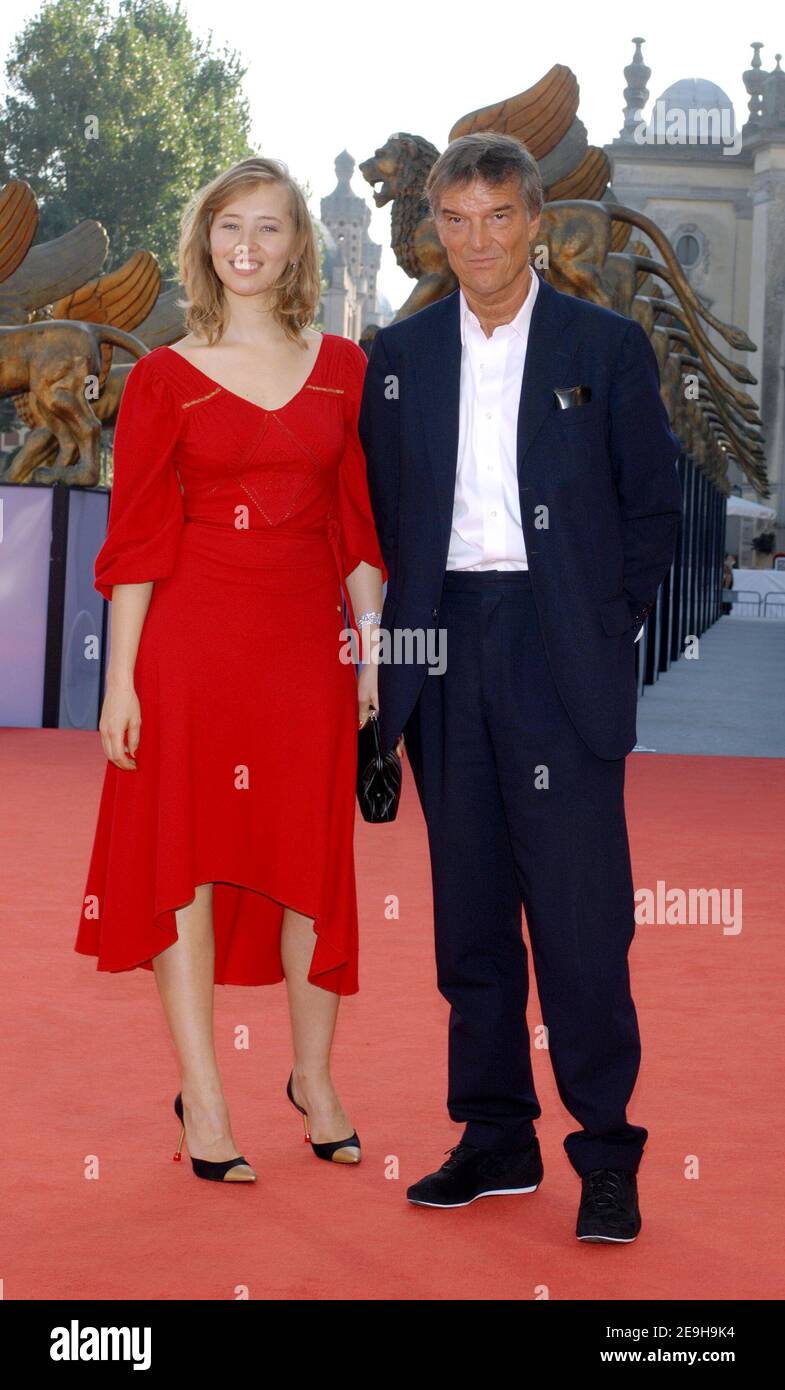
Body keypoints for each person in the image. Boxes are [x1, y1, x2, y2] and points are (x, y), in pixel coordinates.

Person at [359, 133, 683, 1241]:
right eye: (455, 219)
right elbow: (388, 534)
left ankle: (605, 1152)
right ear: (433, 228)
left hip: (557, 653)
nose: (477, 241)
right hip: (440, 647)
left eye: (497, 216)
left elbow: (650, 513)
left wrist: (597, 627)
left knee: (582, 922)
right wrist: (386, 679)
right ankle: (494, 1136)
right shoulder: (395, 355)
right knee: (469, 922)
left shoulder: (606, 344)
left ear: (535, 220)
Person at [76, 157, 387, 1182]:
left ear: (299, 244)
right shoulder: (162, 376)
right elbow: (136, 545)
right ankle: (205, 1100)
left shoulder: (341, 365)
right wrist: (120, 684)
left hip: (303, 652)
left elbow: (355, 528)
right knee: (189, 868)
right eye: (227, 228)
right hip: (189, 654)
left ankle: (313, 1078)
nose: (246, 247)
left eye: (268, 228)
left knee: (310, 870)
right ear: (203, 243)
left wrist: (369, 651)